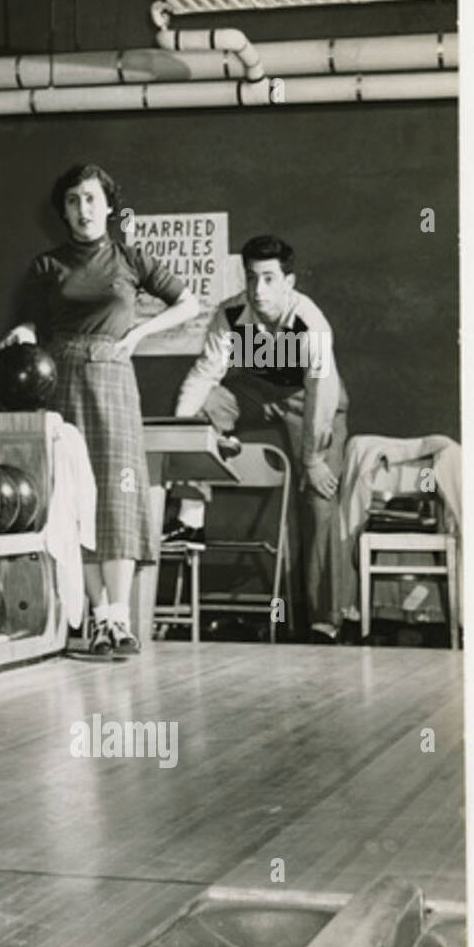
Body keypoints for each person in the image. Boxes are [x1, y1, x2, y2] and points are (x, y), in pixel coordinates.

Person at [0, 164, 198, 656]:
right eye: (72, 201)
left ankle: (121, 617)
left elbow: (189, 303)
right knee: (76, 498)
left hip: (114, 381)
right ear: (63, 211)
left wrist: (138, 335)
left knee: (118, 498)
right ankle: (100, 618)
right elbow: (27, 323)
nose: (83, 210)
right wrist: (22, 335)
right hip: (63, 382)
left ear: (109, 205)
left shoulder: (132, 258)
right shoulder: (47, 266)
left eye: (91, 199)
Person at [169, 234, 349, 642]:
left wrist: (312, 460)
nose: (258, 290)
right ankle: (191, 520)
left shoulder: (311, 322)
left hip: (312, 401)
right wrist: (180, 437)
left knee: (320, 501)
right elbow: (203, 376)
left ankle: (326, 621)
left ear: (290, 281)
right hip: (255, 392)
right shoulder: (230, 314)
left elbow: (322, 394)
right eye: (251, 278)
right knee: (207, 404)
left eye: (269, 279)